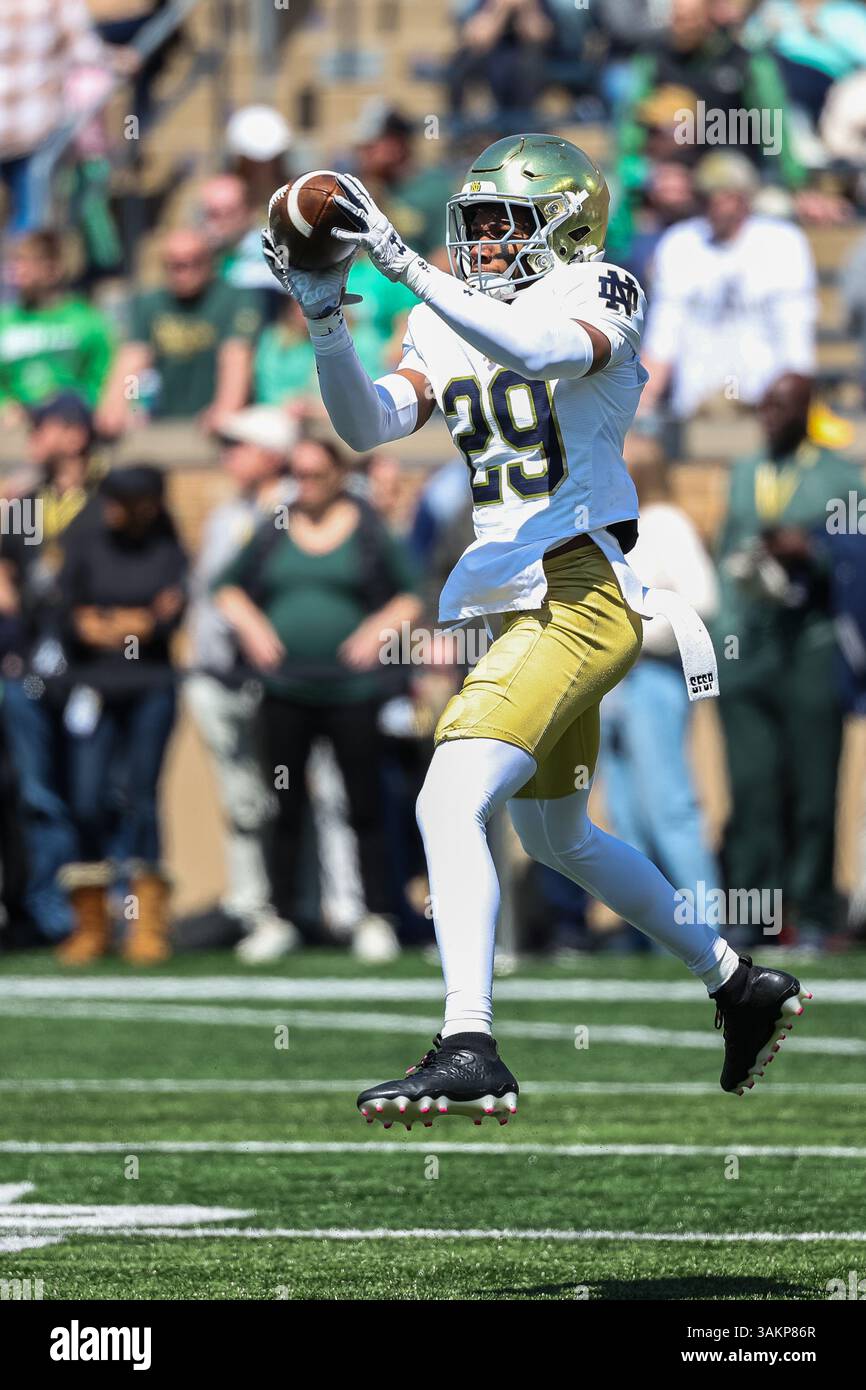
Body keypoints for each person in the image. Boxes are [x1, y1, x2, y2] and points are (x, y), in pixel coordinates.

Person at [261, 131, 812, 1127]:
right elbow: (369, 424)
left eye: (504, 223)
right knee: (556, 835)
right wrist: (323, 318)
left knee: (445, 794)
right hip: (516, 598)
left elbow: (539, 351)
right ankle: (735, 983)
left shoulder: (599, 286)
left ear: (566, 224)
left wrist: (399, 262)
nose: (480, 241)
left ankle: (467, 1039)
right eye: (469, 224)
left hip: (575, 589)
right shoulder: (446, 315)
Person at [213, 435, 423, 964]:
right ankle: (280, 916)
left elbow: (413, 592)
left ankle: (376, 915)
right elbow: (226, 587)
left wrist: (378, 629)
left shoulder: (369, 527)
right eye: (297, 474)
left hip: (352, 690)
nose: (305, 484)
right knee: (284, 804)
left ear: (337, 476)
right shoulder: (276, 526)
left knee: (363, 803)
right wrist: (254, 628)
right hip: (285, 689)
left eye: (315, 474)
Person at [712, 372, 863, 945]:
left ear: (806, 409)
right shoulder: (746, 473)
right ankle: (753, 913)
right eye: (764, 405)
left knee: (814, 789)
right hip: (749, 648)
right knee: (752, 788)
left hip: (812, 647)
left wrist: (815, 549)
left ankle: (816, 914)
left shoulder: (838, 475)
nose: (769, 414)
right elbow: (728, 550)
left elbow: (859, 552)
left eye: (781, 405)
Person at [56, 465, 187, 965]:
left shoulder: (167, 542)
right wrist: (130, 620)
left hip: (151, 687)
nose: (111, 509)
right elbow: (71, 615)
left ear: (147, 506)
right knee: (87, 798)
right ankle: (91, 924)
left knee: (141, 797)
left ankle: (145, 925)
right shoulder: (87, 535)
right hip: (94, 688)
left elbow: (166, 616)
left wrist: (112, 619)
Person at [184, 405, 300, 962]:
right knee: (240, 800)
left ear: (273, 453)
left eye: (242, 445)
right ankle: (252, 906)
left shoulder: (296, 511)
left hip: (277, 681)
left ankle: (310, 908)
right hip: (216, 676)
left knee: (297, 795)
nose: (230, 456)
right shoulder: (224, 514)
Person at [600, 440, 722, 925]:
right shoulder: (608, 527)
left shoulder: (666, 523)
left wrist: (637, 635)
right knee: (625, 814)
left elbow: (704, 601)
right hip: (612, 681)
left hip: (652, 677)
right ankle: (648, 930)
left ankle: (708, 922)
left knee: (669, 808)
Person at [0, 394, 103, 943]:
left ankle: (104, 909)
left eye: (42, 428)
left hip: (96, 670)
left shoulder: (108, 494)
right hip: (30, 666)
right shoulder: (26, 500)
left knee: (98, 792)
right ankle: (52, 913)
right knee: (38, 794)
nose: (34, 438)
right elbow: (6, 574)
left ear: (72, 434)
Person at [639, 152, 816, 441]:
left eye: (722, 196)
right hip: (697, 407)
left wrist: (796, 407)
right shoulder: (680, 243)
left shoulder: (782, 243)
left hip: (764, 406)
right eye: (706, 196)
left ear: (745, 197)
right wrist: (642, 405)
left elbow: (795, 334)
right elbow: (663, 336)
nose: (713, 205)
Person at [97, 229, 261, 436]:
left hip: (217, 424)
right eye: (176, 264)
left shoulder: (234, 299)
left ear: (209, 261)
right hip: (169, 420)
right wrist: (119, 406)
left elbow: (236, 357)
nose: (185, 271)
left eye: (195, 261)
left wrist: (225, 410)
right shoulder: (150, 303)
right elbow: (132, 364)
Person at [0, 231, 115, 416]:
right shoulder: (5, 322)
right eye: (14, 263)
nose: (16, 272)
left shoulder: (89, 322)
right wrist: (5, 406)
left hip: (74, 427)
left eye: (25, 263)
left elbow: (108, 379)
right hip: (13, 431)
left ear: (53, 269)